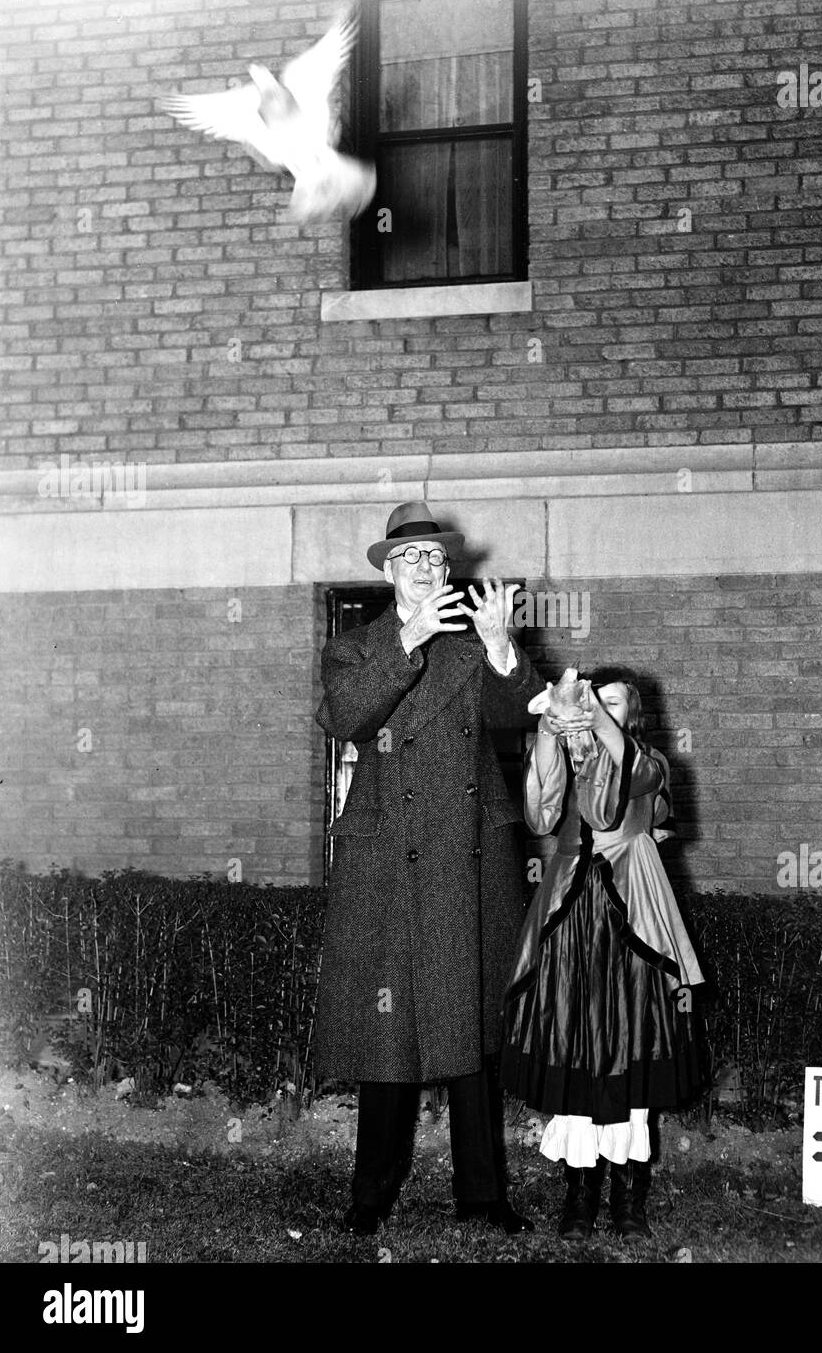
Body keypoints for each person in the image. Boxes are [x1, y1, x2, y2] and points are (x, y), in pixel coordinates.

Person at [314, 501, 546, 1237]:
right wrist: (409, 640)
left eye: (437, 559)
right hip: (387, 862)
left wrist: (502, 644)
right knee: (387, 1038)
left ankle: (483, 1195)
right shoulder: (355, 648)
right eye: (410, 558)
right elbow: (346, 717)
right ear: (386, 570)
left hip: (467, 856)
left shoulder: (474, 643)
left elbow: (518, 713)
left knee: (471, 1032)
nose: (426, 568)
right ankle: (370, 1193)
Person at [499, 667, 705, 1242]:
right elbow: (541, 816)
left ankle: (628, 1201)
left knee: (629, 1044)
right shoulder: (567, 753)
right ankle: (580, 1195)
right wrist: (547, 725)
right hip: (567, 916)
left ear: (631, 718)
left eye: (610, 705)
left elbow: (621, 792)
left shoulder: (654, 765)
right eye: (592, 703)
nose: (596, 712)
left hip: (633, 920)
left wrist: (592, 719)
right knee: (573, 1041)